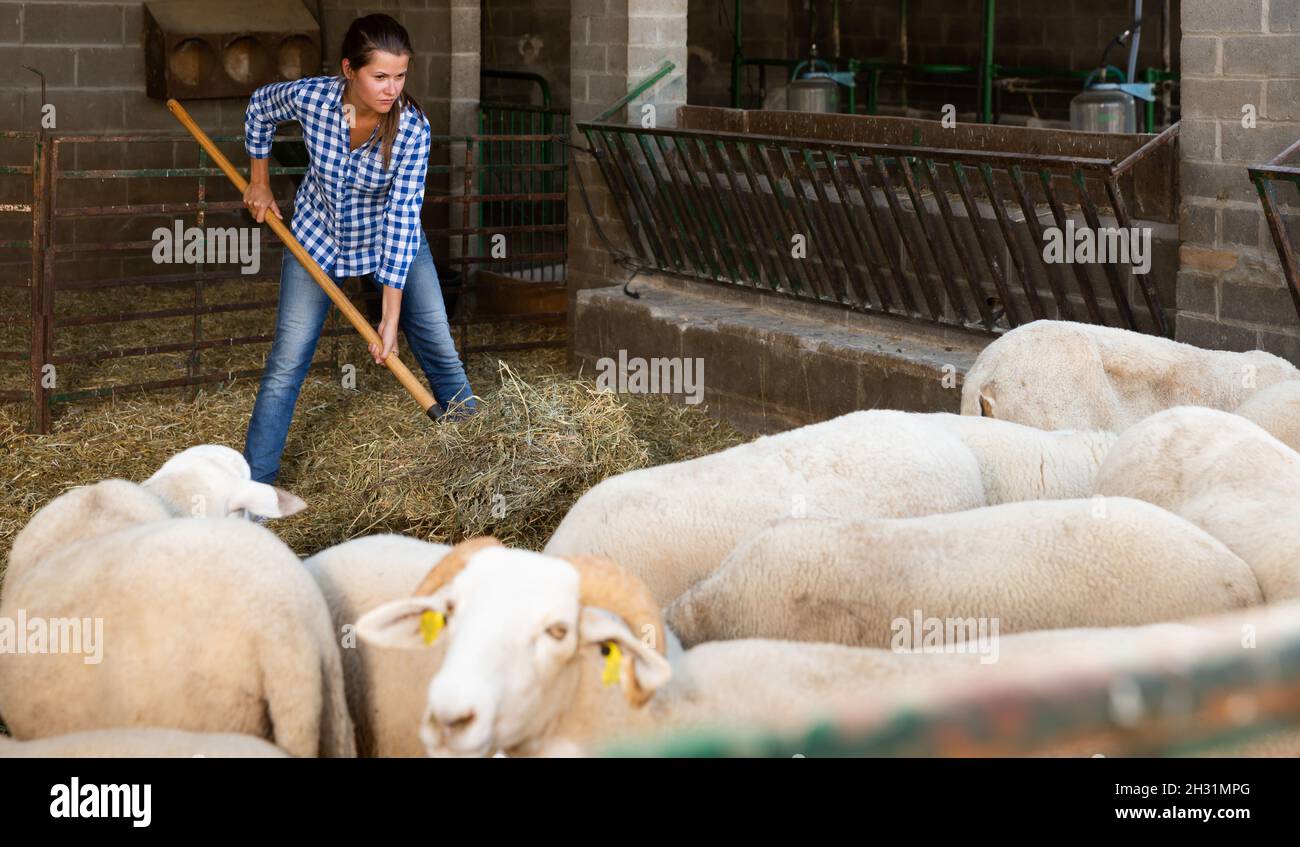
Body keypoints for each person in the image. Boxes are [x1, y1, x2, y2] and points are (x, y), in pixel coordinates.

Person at [241, 13, 475, 485]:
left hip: (392, 239)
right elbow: (259, 107)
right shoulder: (313, 98)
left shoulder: (412, 128)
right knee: (287, 363)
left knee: (439, 348)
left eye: (401, 75)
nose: (392, 89)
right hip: (316, 235)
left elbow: (402, 218)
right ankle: (255, 491)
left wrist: (390, 316)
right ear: (349, 69)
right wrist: (260, 181)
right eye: (380, 76)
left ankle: (483, 459)